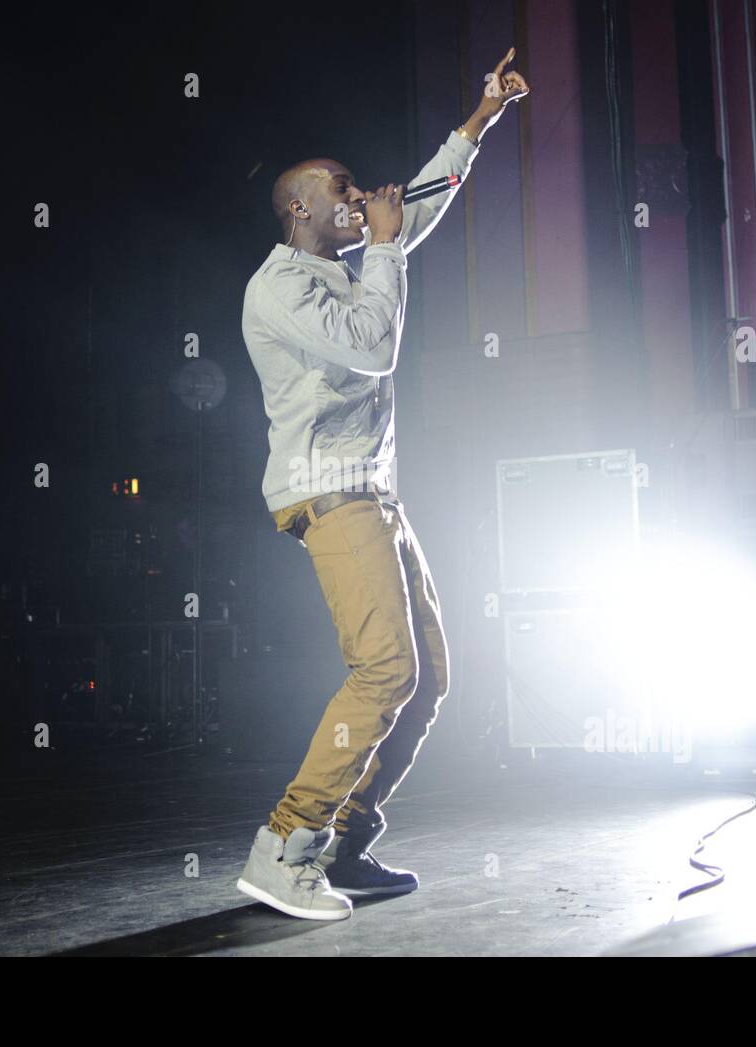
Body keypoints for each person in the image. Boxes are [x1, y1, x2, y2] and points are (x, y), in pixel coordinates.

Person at [235, 50, 529, 920]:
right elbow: (375, 344)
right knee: (383, 669)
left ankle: (347, 841)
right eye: (344, 190)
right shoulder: (279, 286)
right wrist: (390, 249)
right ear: (300, 210)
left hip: (374, 494)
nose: (361, 200)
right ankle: (284, 845)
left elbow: (421, 207)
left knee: (430, 675)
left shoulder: (350, 262)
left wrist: (480, 117)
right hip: (329, 494)